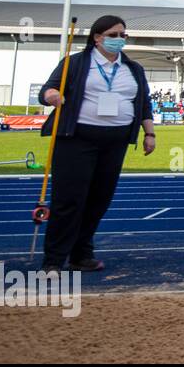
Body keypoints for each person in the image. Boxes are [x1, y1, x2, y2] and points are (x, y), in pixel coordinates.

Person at [38, 15, 156, 272]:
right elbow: (47, 90)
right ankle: (54, 260)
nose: (120, 39)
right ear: (97, 37)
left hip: (115, 142)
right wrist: (52, 95)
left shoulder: (133, 69)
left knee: (98, 201)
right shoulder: (76, 63)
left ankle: (81, 255)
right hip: (77, 140)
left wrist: (149, 134)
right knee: (68, 201)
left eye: (123, 35)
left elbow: (144, 103)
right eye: (113, 35)